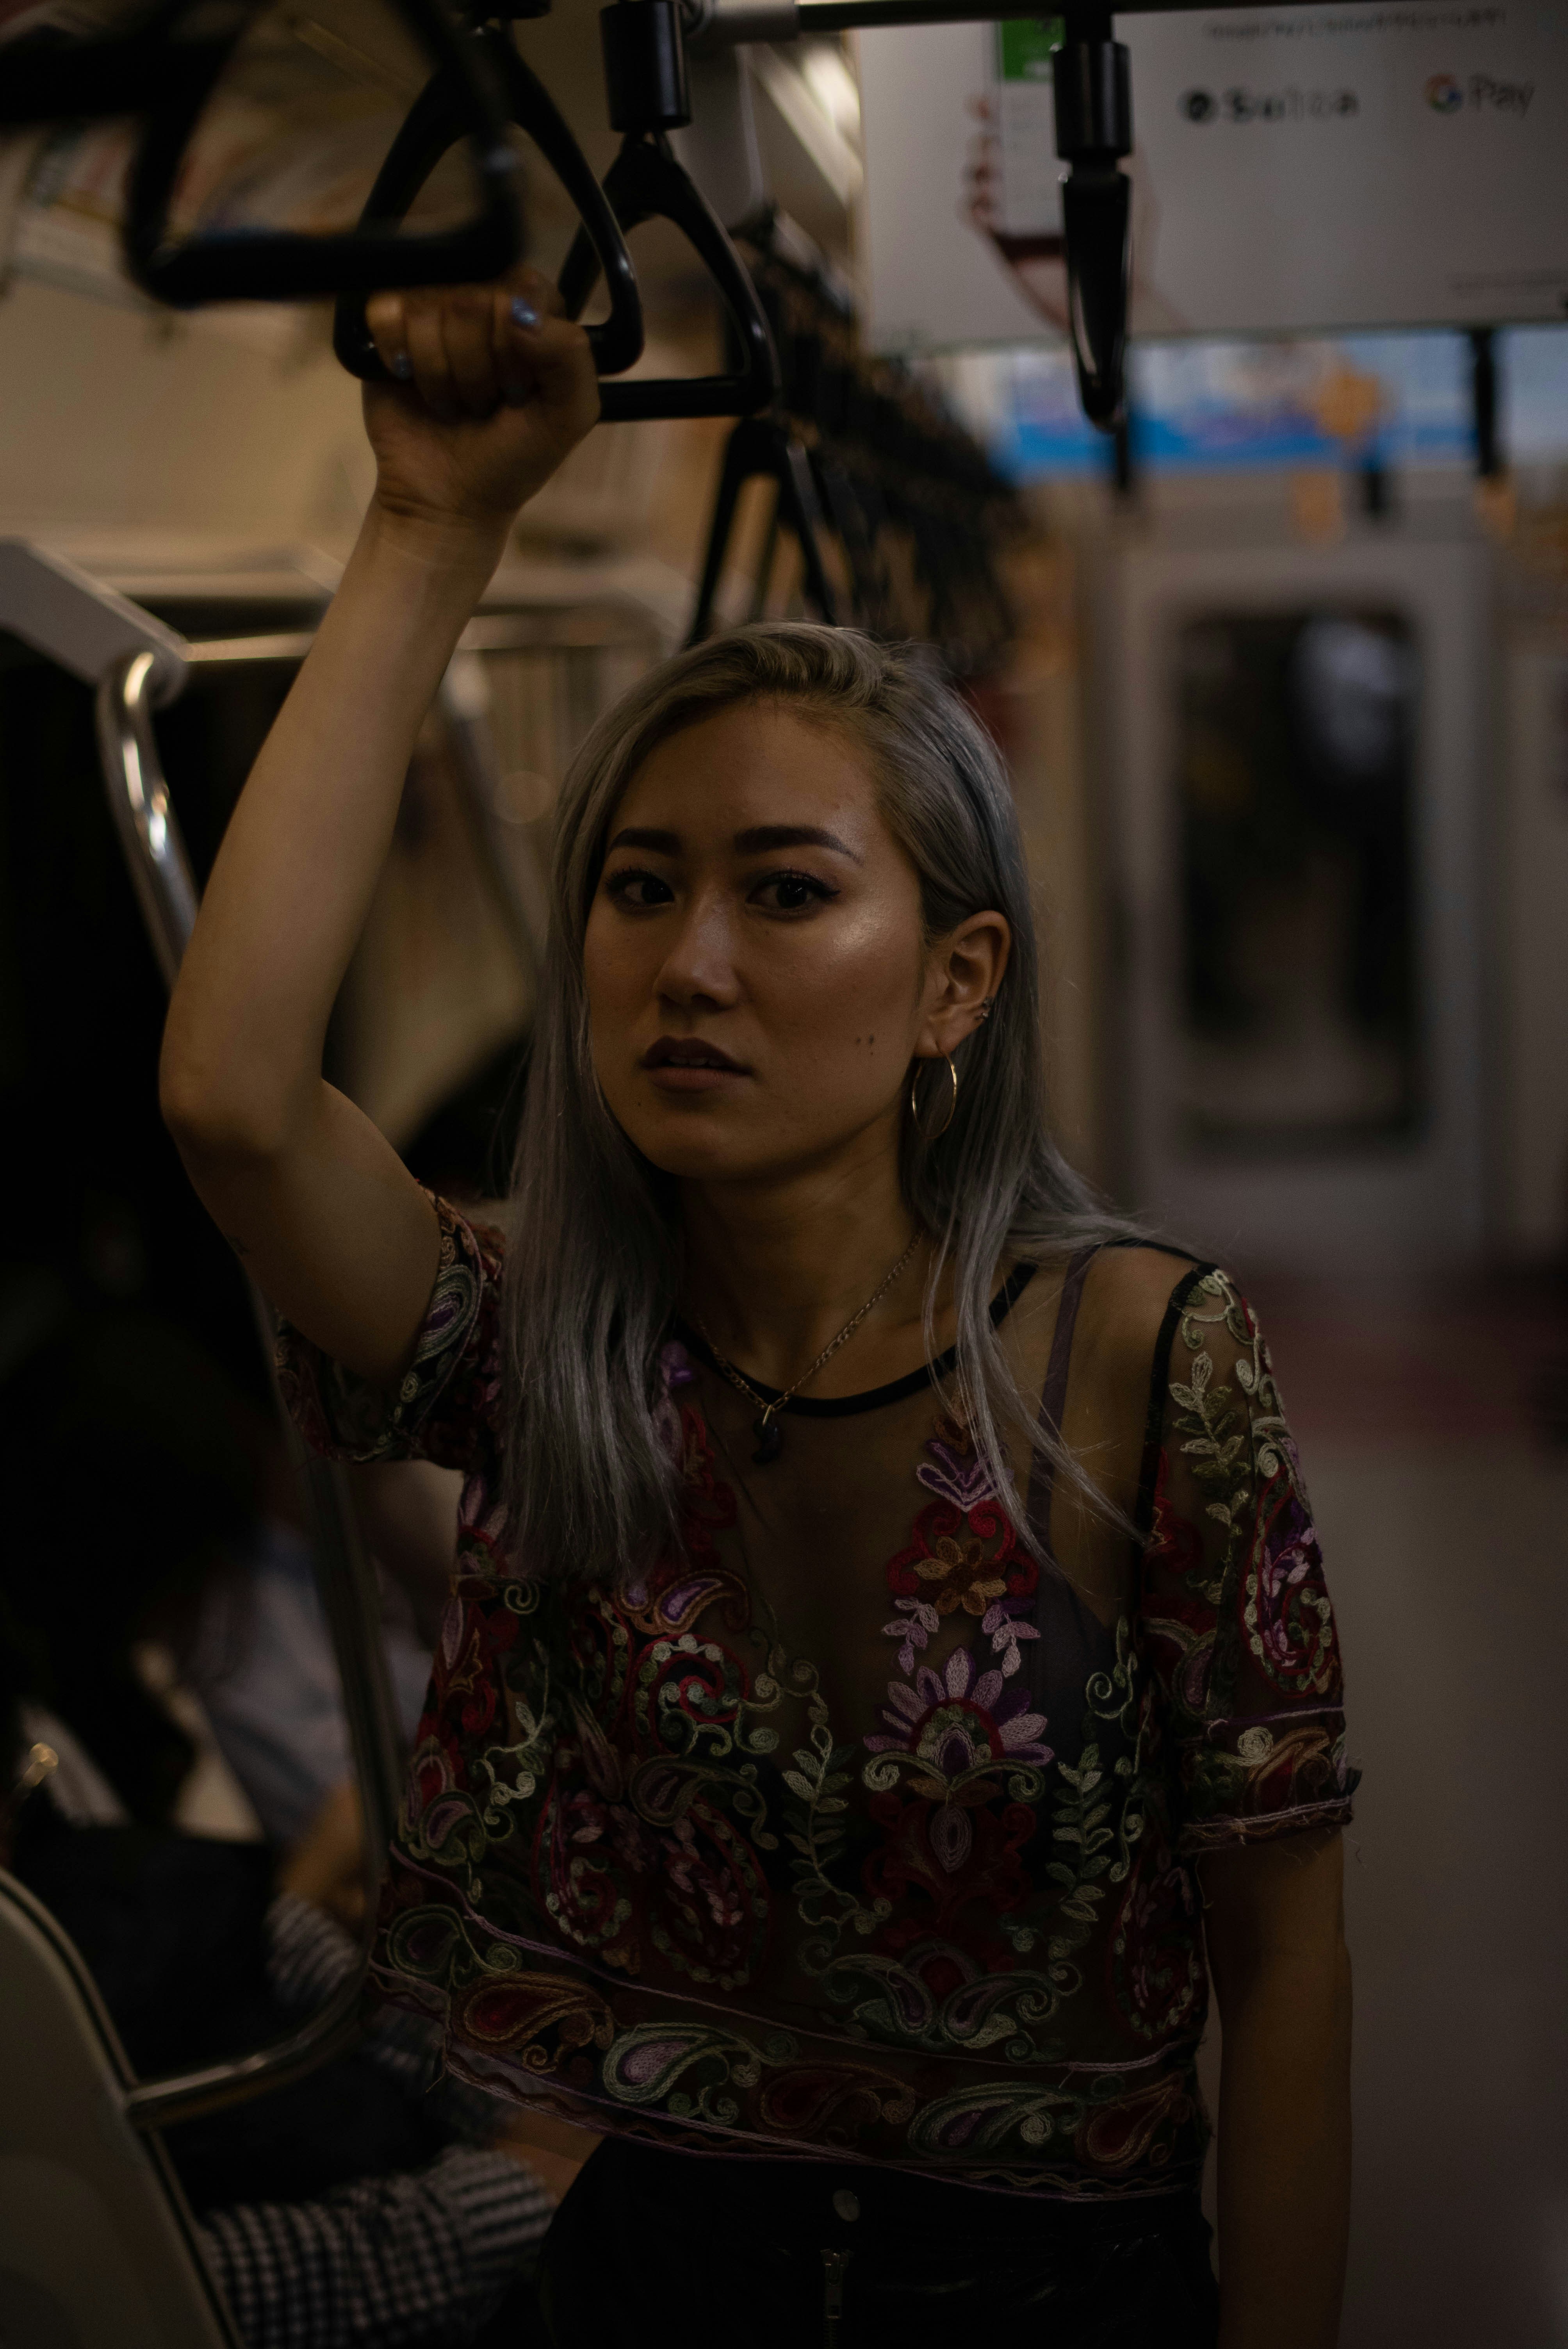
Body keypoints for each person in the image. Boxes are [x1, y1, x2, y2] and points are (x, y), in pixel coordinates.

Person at [158, 264, 1358, 2348]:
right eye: (640, 890)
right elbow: (236, 1105)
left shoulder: (1141, 1362)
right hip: (654, 2276)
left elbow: (1289, 1957)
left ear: (957, 983)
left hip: (1052, 2293)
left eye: (786, 893)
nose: (691, 964)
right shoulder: (538, 1341)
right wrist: (435, 526)